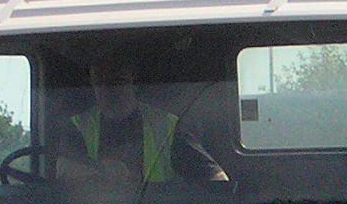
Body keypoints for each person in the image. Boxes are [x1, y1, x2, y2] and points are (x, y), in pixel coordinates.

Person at [61, 53, 226, 185]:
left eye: (117, 81)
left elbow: (217, 180)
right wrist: (100, 171)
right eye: (100, 82)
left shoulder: (166, 126)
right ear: (92, 86)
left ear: (134, 83)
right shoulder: (77, 126)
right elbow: (63, 175)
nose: (109, 89)